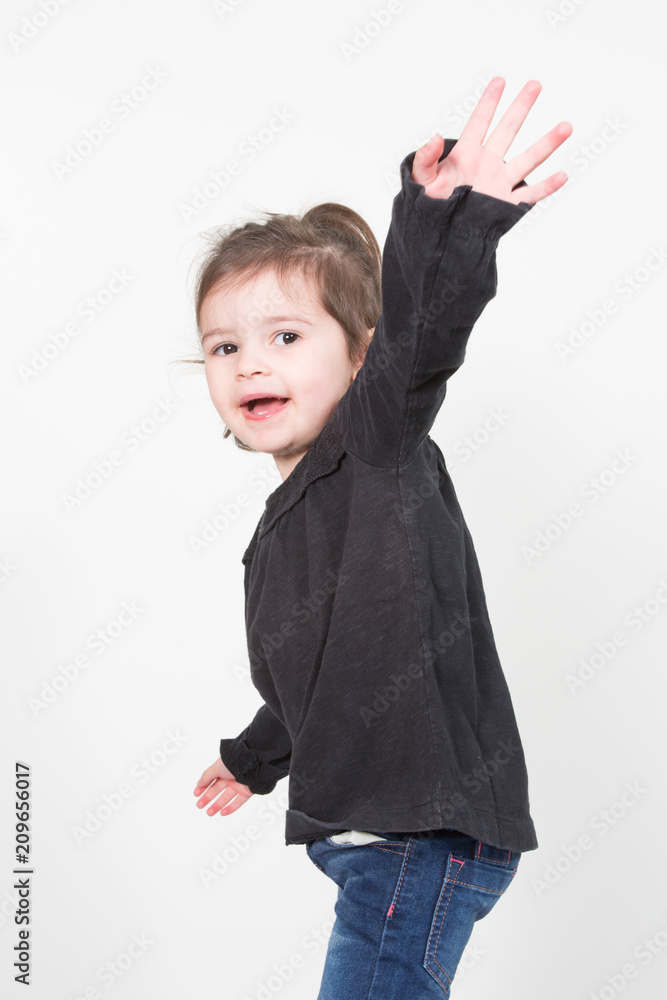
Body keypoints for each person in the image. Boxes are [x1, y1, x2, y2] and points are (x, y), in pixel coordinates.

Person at [192, 77, 572, 998]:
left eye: (285, 336)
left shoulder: (376, 442)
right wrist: (253, 758)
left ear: (359, 359)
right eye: (224, 346)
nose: (251, 363)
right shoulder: (280, 532)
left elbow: (421, 328)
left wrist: (448, 214)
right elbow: (307, 682)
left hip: (418, 835)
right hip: (373, 843)